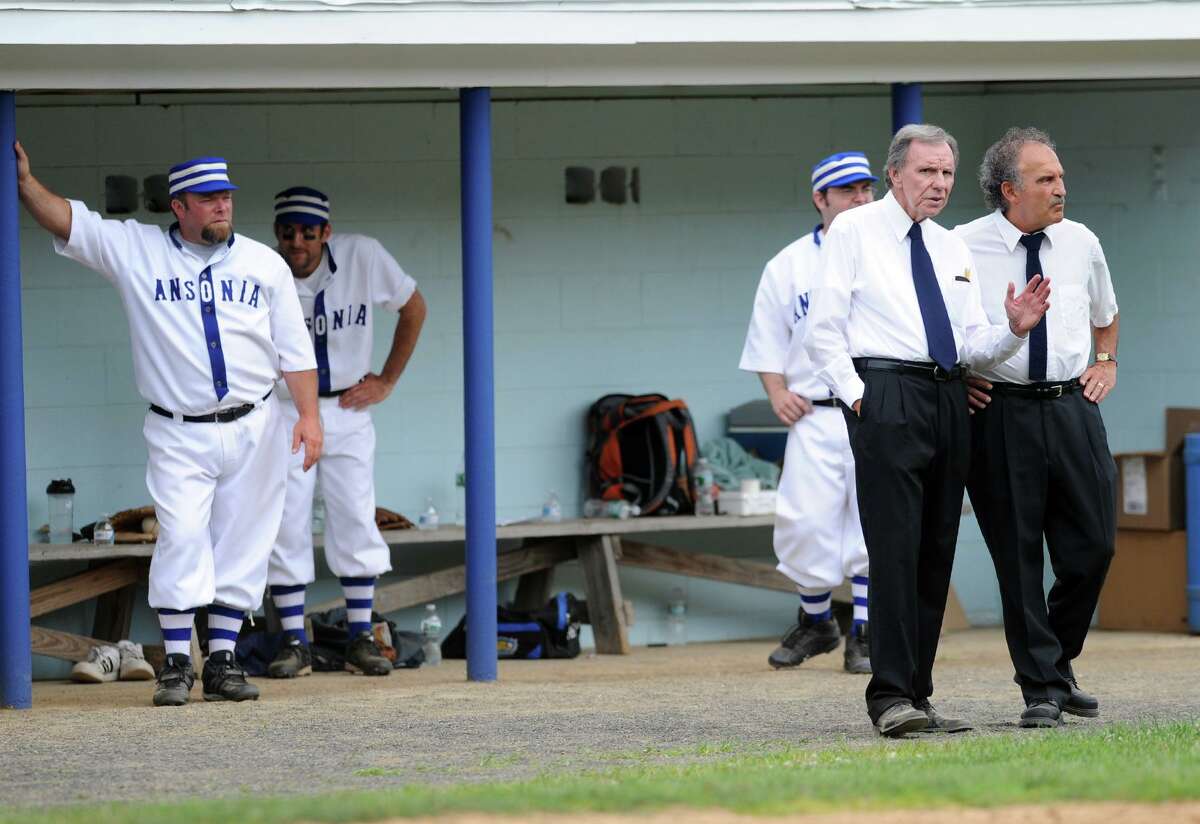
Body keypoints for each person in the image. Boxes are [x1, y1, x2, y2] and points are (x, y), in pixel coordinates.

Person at [14, 145, 321, 706]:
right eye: (208, 200)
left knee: (246, 540)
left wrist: (309, 416)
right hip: (178, 427)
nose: (221, 207)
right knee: (180, 535)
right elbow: (72, 221)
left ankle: (223, 661)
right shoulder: (140, 250)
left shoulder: (263, 262)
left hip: (256, 420)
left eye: (225, 197)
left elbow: (294, 350)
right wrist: (26, 182)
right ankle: (178, 662)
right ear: (178, 207)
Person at [803, 123, 1052, 737]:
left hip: (947, 397)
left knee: (936, 550)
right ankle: (888, 696)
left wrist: (1014, 329)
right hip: (885, 392)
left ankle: (919, 694)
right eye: (926, 172)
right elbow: (824, 330)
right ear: (895, 174)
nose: (938, 184)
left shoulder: (949, 246)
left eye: (946, 173)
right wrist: (861, 399)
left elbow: (970, 342)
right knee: (893, 549)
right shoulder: (854, 230)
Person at [954, 127, 1118, 729]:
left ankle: (1056, 660)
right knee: (1017, 556)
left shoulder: (1081, 242)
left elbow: (1107, 313)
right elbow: (939, 328)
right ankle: (1041, 689)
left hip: (1074, 408)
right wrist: (957, 377)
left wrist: (1106, 361)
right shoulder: (961, 246)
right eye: (1046, 179)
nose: (1061, 189)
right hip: (999, 412)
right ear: (1008, 189)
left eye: (1061, 177)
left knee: (1094, 545)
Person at [264, 187, 427, 679]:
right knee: (286, 522)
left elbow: (414, 307)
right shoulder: (261, 268)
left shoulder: (363, 255)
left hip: (347, 406)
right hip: (288, 411)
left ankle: (360, 637)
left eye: (308, 233)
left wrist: (387, 380)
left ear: (326, 232)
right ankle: (295, 642)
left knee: (355, 517)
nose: (298, 243)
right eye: (288, 232)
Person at [739, 151, 876, 674]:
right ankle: (818, 621)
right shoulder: (789, 264)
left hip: (874, 409)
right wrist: (776, 391)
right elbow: (766, 340)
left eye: (866, 189)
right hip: (816, 414)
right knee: (803, 524)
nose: (860, 199)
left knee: (872, 523)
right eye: (847, 192)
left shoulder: (889, 251)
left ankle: (866, 631)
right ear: (820, 199)